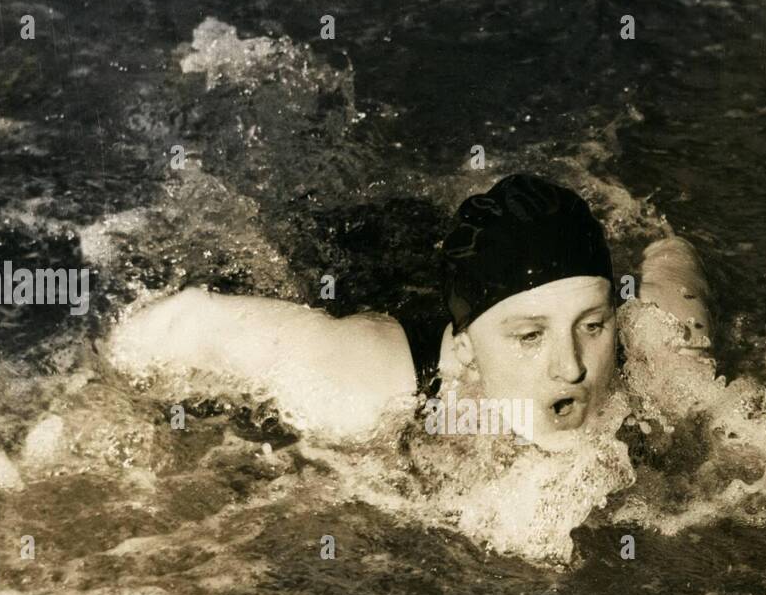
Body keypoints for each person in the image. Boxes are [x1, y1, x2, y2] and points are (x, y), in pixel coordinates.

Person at [104, 173, 712, 449]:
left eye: (592, 325)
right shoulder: (359, 389)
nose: (572, 368)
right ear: (467, 349)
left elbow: (672, 253)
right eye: (530, 336)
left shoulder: (662, 352)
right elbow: (171, 326)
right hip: (360, 260)